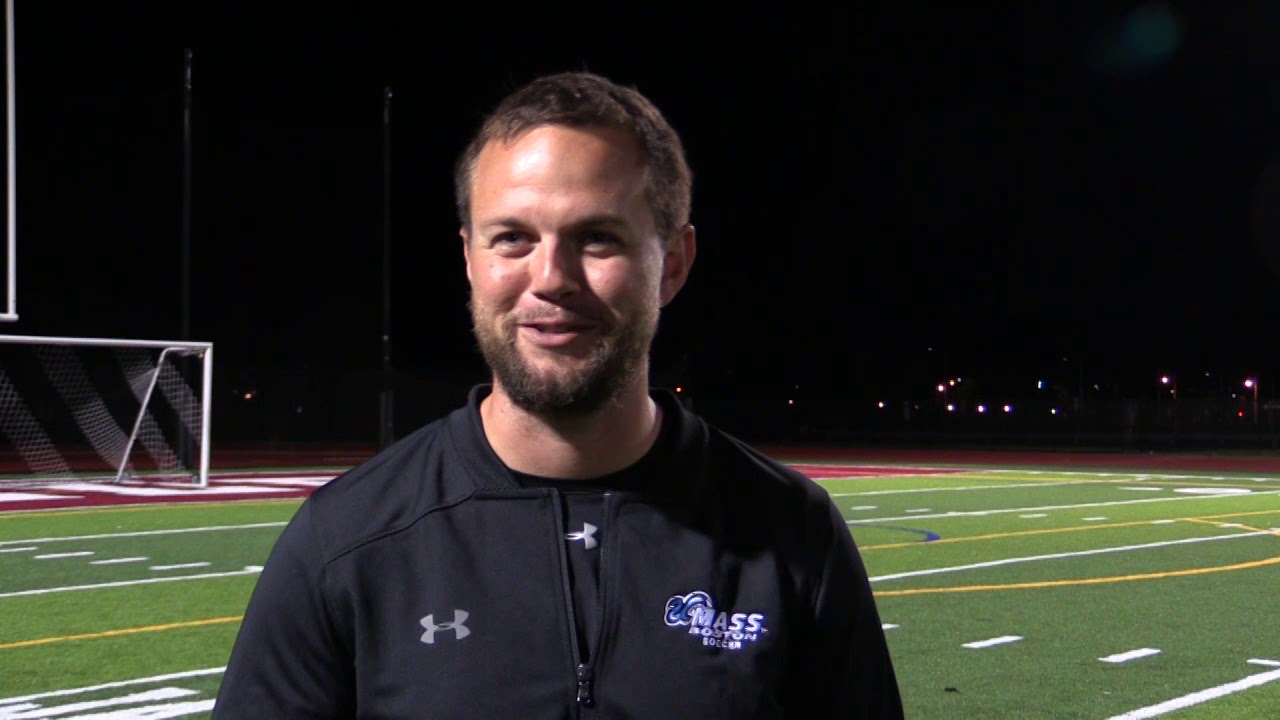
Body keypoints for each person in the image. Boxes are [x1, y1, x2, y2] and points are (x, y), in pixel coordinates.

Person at [213, 71, 902, 719]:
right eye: (512, 238)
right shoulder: (344, 542)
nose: (550, 278)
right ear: (470, 260)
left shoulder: (791, 534)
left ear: (674, 264)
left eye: (597, 238)